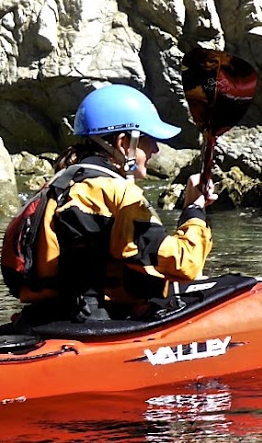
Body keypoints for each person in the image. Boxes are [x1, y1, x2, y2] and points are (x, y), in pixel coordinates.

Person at [13, 83, 214, 325]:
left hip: (47, 317)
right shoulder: (116, 193)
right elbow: (185, 264)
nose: (155, 149)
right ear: (123, 144)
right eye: (148, 140)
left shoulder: (57, 184)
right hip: (98, 324)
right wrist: (194, 210)